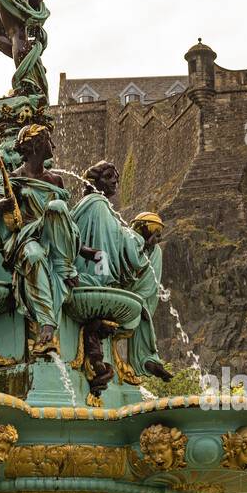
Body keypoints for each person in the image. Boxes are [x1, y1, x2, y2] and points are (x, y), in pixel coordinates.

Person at [73, 160, 171, 381]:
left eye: (116, 176)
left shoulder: (104, 209)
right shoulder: (95, 204)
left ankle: (146, 356)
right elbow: (104, 244)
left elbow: (117, 237)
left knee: (155, 253)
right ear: (95, 181)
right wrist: (137, 239)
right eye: (109, 176)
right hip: (93, 268)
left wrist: (144, 241)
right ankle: (103, 282)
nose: (116, 180)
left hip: (105, 264)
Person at [0, 123, 80, 354]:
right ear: (37, 145)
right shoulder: (14, 178)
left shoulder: (56, 180)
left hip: (55, 235)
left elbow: (66, 217)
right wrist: (3, 205)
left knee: (57, 206)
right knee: (34, 255)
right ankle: (47, 326)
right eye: (49, 141)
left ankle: (64, 266)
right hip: (27, 237)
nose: (54, 146)